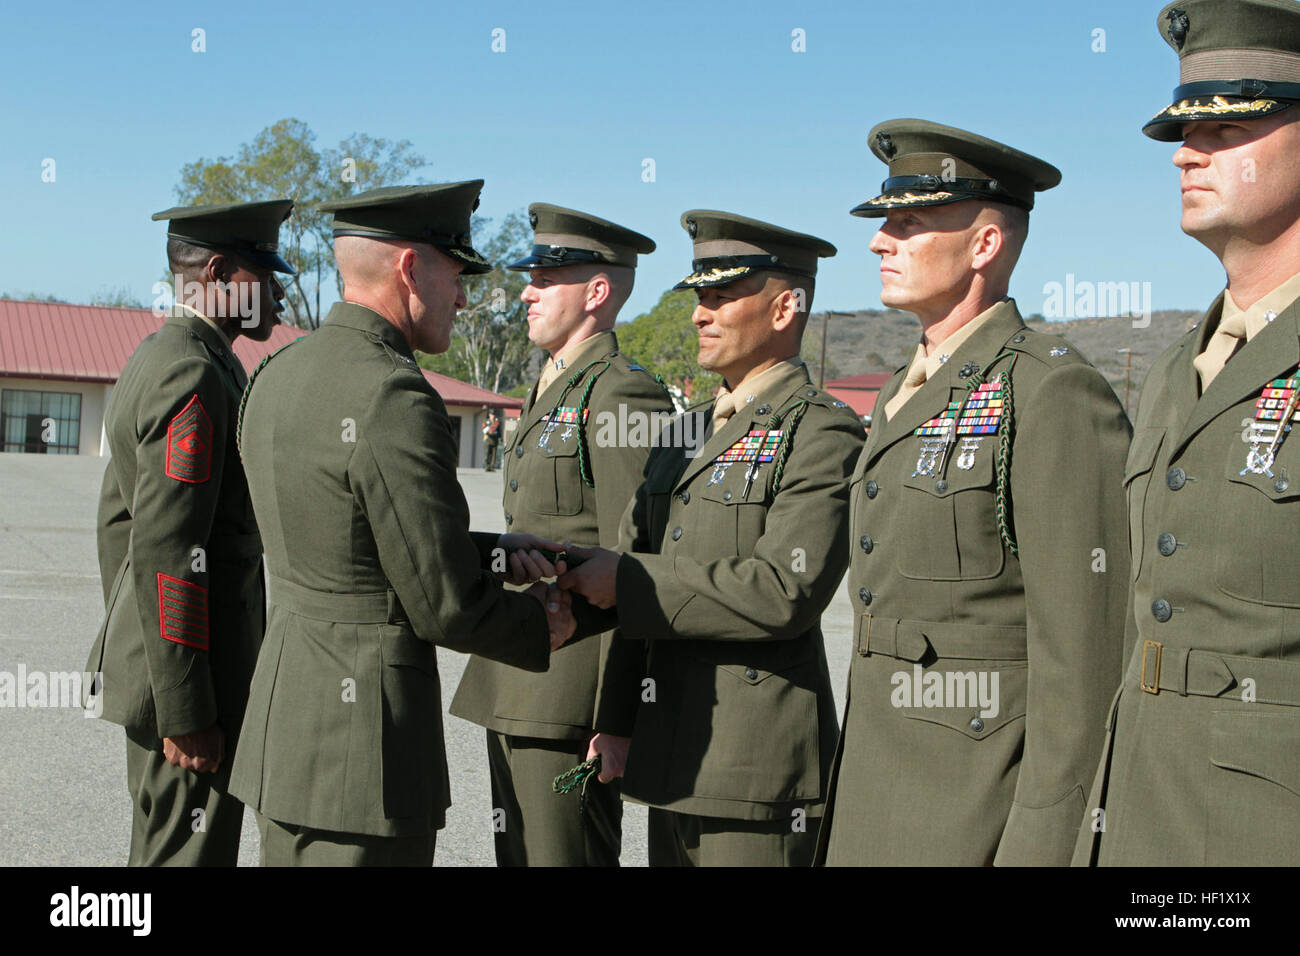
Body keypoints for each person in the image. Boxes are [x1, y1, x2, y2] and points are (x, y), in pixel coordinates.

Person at [228, 182, 576, 866]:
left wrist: (494, 553)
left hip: (286, 731)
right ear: (411, 269)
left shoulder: (276, 372)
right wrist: (541, 623)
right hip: (365, 755)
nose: (464, 298)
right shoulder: (392, 392)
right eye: (456, 274)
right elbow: (442, 605)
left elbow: (345, 538)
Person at [814, 120, 1132, 866]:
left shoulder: (1050, 390)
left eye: (910, 222)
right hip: (875, 789)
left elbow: (1083, 667)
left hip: (972, 814)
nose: (879, 241)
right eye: (884, 223)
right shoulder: (902, 391)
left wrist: (1044, 844)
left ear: (984, 245)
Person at [560, 210, 864, 866]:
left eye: (723, 296)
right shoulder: (684, 431)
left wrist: (629, 581)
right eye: (700, 297)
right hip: (674, 751)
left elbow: (787, 590)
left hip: (757, 765)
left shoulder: (822, 433)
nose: (701, 313)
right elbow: (630, 574)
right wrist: (615, 718)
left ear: (786, 307)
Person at [1075, 0, 1300, 866]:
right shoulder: (1177, 369)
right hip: (1141, 817)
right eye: (1182, 127)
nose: (1186, 152)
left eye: (1228, 124)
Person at [450, 204, 670, 866]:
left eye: (545, 280)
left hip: (575, 695)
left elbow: (634, 565)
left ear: (596, 292)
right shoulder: (546, 385)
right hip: (520, 676)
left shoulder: (620, 396)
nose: (526, 292)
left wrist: (621, 716)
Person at [85, 198, 295, 865]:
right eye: (266, 271)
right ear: (222, 270)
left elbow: (118, 525)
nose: (279, 290)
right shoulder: (194, 373)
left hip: (177, 669)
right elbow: (169, 548)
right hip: (195, 685)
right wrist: (184, 705)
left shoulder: (174, 354)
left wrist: (146, 654)